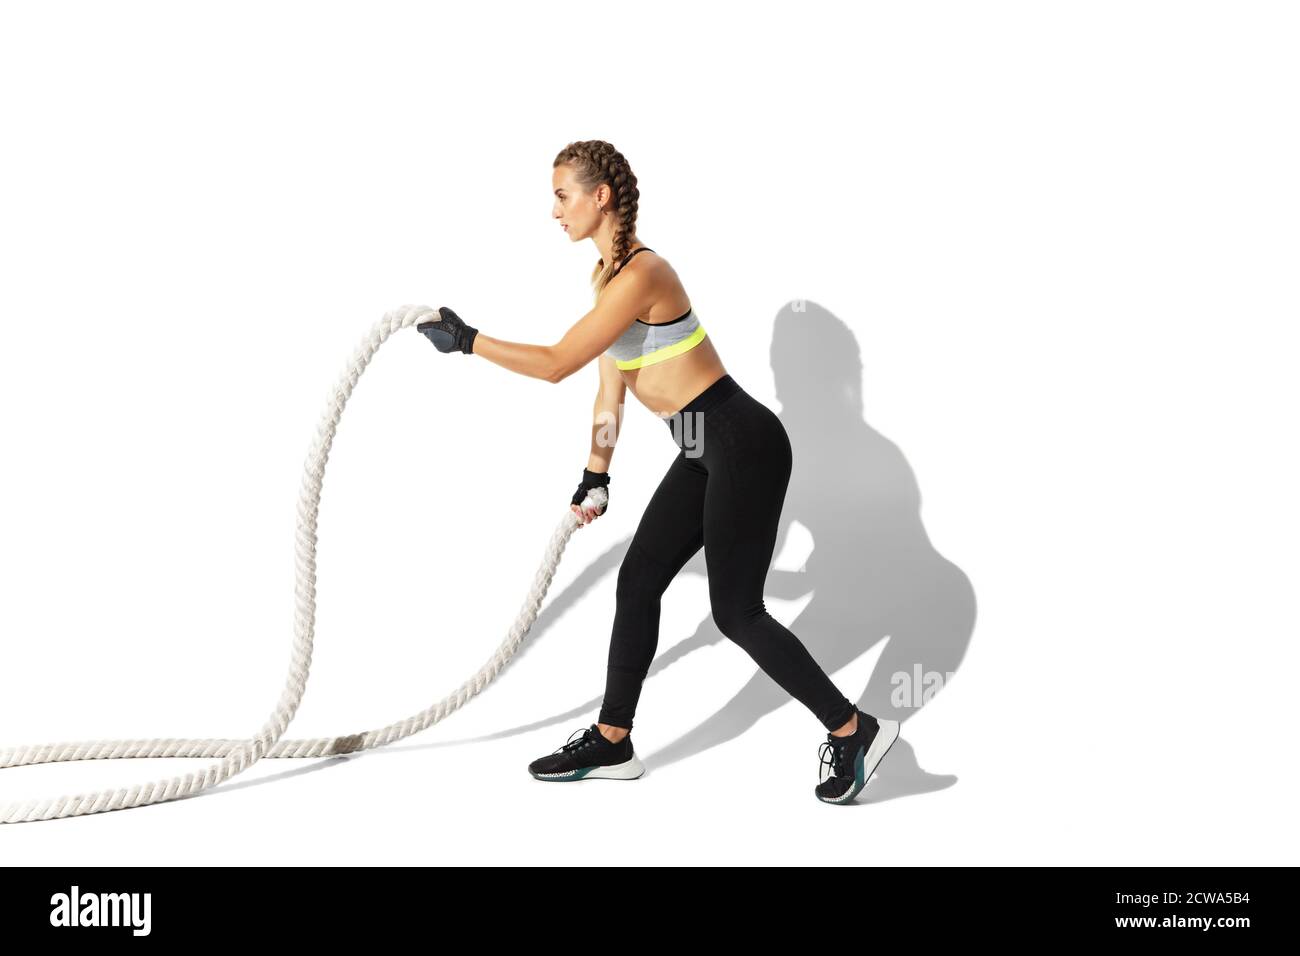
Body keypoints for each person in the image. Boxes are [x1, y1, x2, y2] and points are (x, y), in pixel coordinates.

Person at [417, 139, 898, 803]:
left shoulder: (644, 273)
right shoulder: (609, 281)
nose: (554, 211)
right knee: (638, 582)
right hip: (702, 444)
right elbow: (608, 390)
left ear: (600, 196)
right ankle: (614, 741)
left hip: (741, 439)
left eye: (562, 195)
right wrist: (597, 471)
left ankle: (854, 730)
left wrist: (469, 341)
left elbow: (558, 362)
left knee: (736, 613)